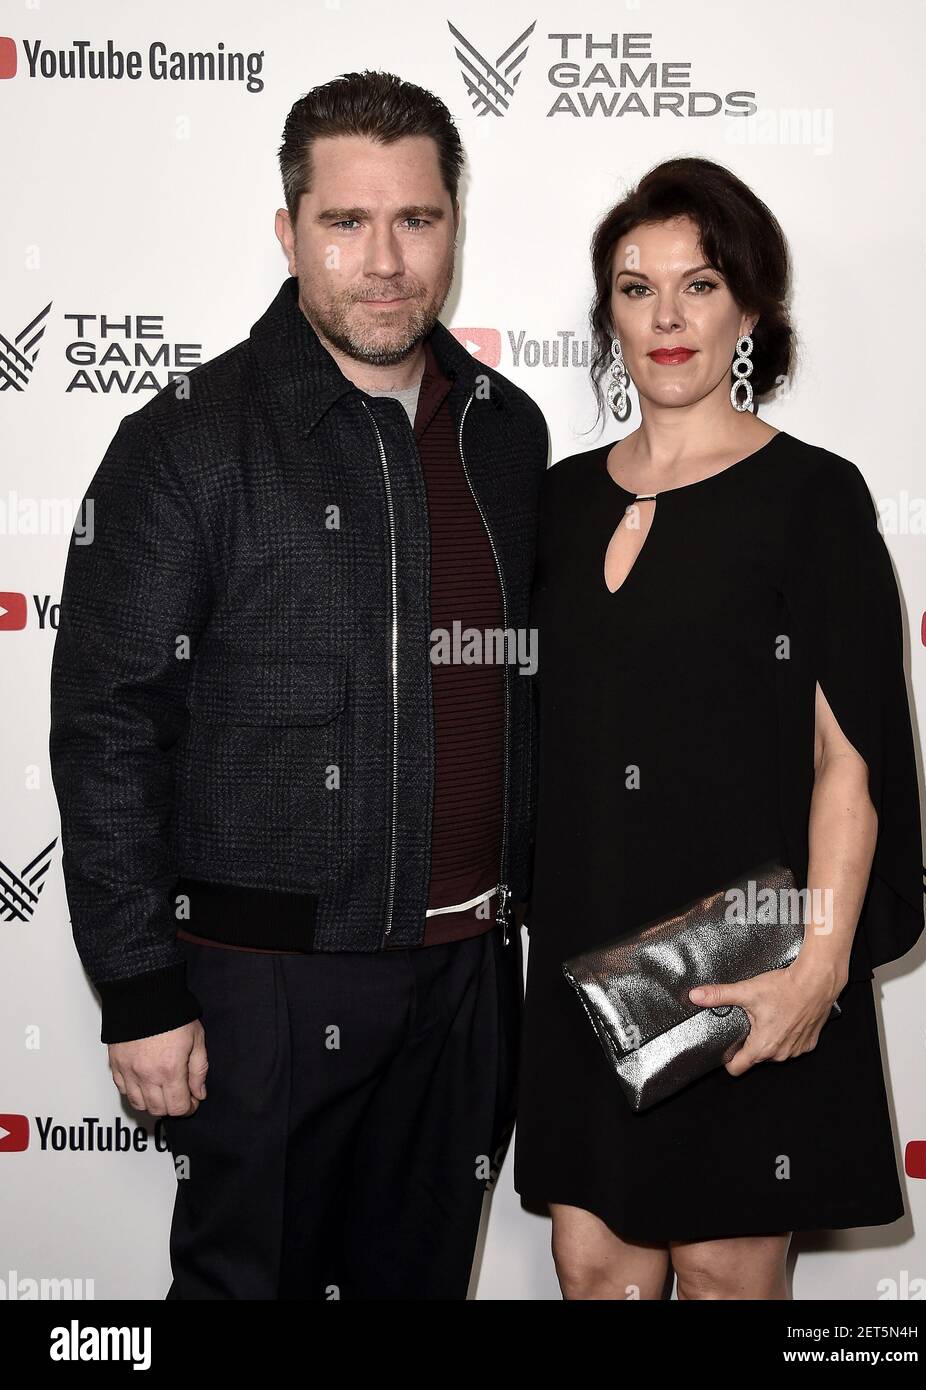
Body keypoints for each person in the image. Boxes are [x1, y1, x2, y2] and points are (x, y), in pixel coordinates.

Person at [49, 70, 548, 1300]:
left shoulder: (508, 432)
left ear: (455, 223)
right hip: (260, 985)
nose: (384, 261)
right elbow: (107, 726)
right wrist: (138, 990)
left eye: (416, 220)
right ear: (289, 231)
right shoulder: (187, 436)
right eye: (345, 221)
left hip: (467, 979)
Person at [512, 156, 925, 1301]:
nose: (666, 317)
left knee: (722, 1276)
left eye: (697, 286)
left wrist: (819, 967)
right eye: (636, 287)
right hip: (586, 960)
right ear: (608, 314)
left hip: (746, 959)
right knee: (591, 1266)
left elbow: (849, 761)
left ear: (747, 305)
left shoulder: (812, 498)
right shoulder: (555, 499)